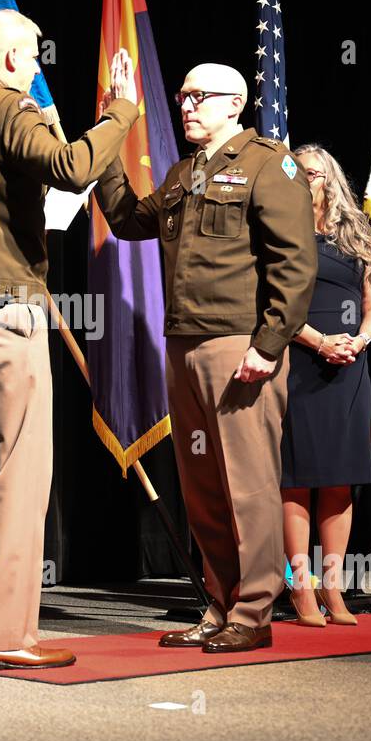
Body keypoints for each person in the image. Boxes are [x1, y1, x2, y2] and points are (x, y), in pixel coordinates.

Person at [0, 10, 139, 673]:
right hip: (4, 314)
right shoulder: (12, 110)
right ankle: (3, 635)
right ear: (11, 60)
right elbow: (73, 168)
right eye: (34, 58)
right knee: (16, 479)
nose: (38, 69)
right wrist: (119, 110)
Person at [95, 62, 316, 652]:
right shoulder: (181, 174)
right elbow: (125, 220)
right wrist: (108, 140)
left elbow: (295, 265)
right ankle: (220, 604)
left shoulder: (271, 164)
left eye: (198, 96)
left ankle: (255, 612)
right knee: (204, 487)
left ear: (234, 103)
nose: (186, 105)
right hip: (184, 343)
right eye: (182, 95)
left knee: (247, 483)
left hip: (239, 345)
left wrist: (268, 346)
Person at [280, 145, 371, 627]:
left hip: (349, 364)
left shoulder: (357, 232)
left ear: (332, 179)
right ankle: (300, 587)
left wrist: (359, 341)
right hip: (298, 357)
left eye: (317, 174)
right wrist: (320, 341)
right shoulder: (280, 227)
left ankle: (335, 588)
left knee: (339, 478)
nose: (309, 181)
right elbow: (271, 302)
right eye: (300, 174)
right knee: (296, 478)